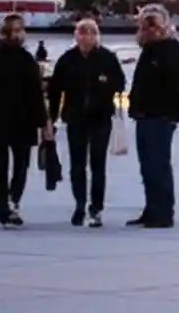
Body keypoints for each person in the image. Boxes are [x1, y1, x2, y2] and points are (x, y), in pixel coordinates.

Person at [47, 19, 126, 227]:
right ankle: (80, 204)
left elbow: (120, 83)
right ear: (76, 36)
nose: (87, 37)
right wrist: (51, 119)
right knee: (77, 164)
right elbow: (55, 91)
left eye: (91, 33)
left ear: (97, 36)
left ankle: (96, 208)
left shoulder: (107, 58)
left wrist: (104, 83)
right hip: (75, 117)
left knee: (98, 164)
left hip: (100, 117)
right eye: (82, 33)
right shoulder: (67, 59)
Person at [0, 14, 53, 228]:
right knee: (3, 166)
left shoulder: (25, 59)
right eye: (15, 30)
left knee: (18, 165)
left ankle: (11, 203)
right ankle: (6, 207)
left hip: (18, 120)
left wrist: (44, 123)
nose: (19, 34)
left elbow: (36, 94)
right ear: (5, 33)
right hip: (2, 121)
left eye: (21, 30)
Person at [127, 4, 179, 229]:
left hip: (161, 116)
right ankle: (151, 208)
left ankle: (163, 212)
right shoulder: (148, 49)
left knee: (158, 165)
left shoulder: (171, 49)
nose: (150, 30)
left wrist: (172, 114)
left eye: (154, 25)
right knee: (147, 166)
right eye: (146, 25)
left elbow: (178, 83)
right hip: (144, 115)